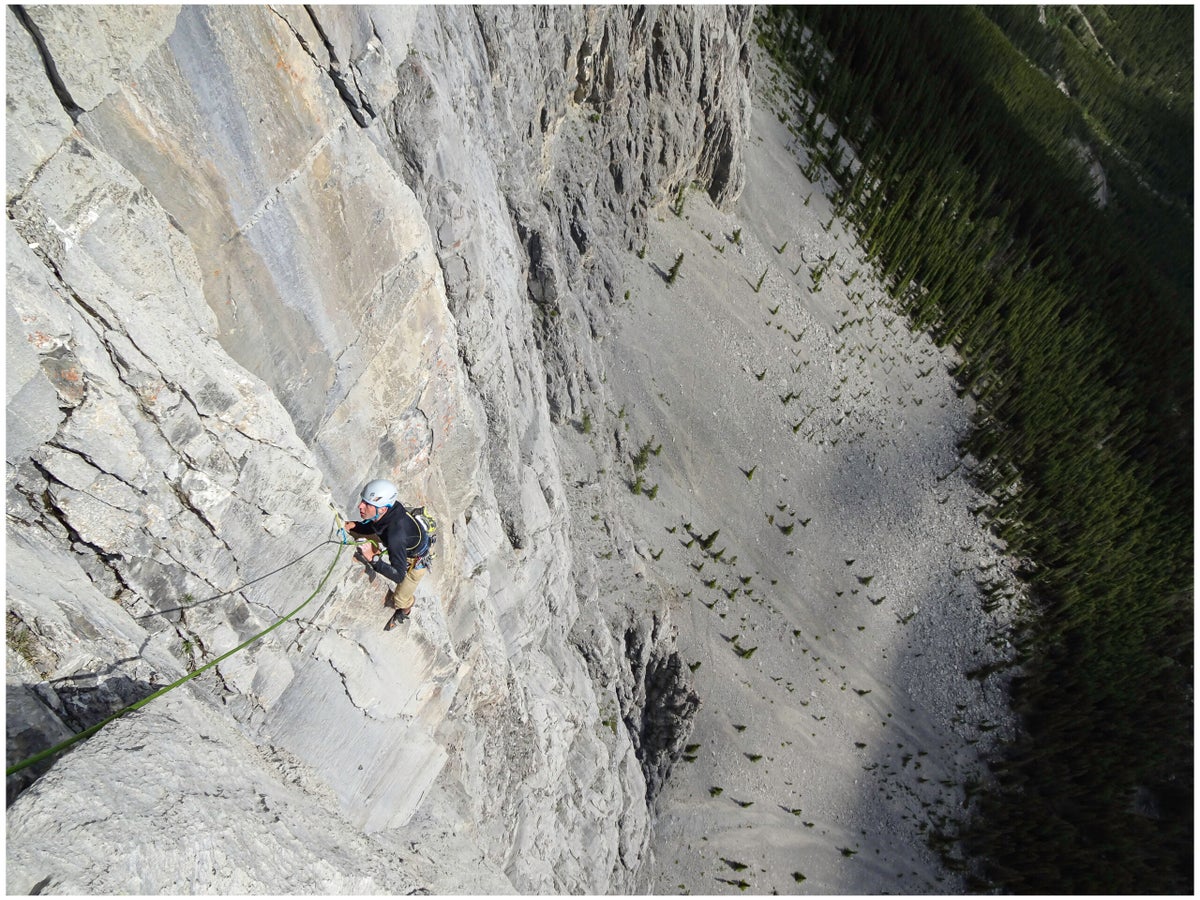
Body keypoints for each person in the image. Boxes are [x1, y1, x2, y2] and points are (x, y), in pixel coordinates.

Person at [344, 479, 430, 630]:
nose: (360, 506)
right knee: (359, 531)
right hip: (402, 539)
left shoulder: (395, 536)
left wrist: (373, 558)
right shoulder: (388, 511)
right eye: (363, 501)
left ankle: (406, 609)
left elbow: (398, 576)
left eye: (367, 504)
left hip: (415, 562)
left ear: (382, 509)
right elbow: (375, 526)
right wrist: (353, 525)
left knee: (399, 600)